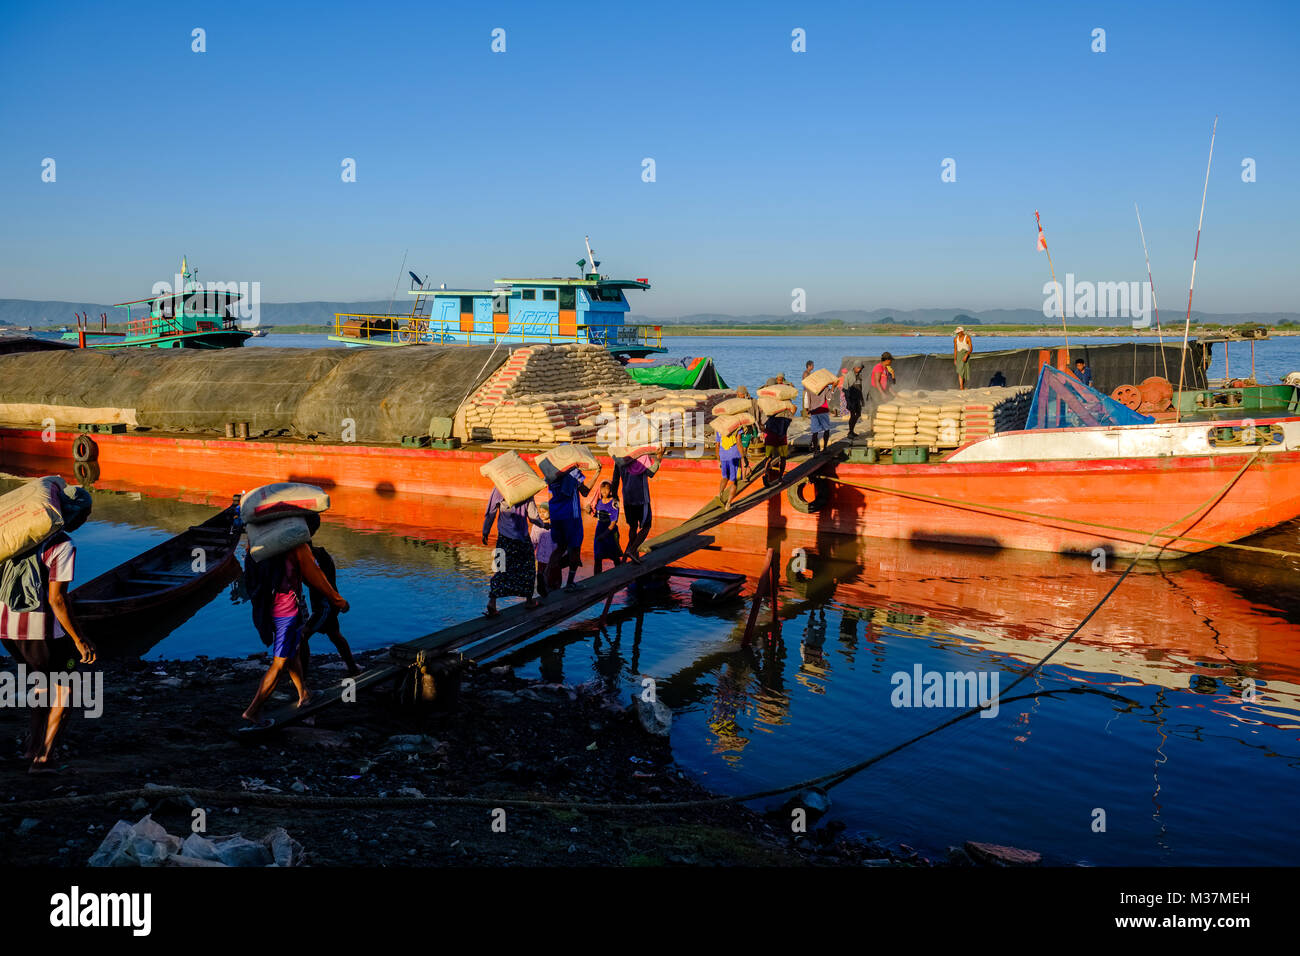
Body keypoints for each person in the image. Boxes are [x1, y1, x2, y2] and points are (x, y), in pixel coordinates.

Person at [0, 486, 95, 773]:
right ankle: (44, 758)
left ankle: (31, 748)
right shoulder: (62, 545)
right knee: (67, 691)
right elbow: (57, 600)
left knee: (40, 686)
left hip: (8, 633)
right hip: (43, 634)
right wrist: (80, 640)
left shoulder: (14, 539)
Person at [242, 531, 349, 726]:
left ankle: (304, 694)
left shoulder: (259, 541)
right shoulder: (297, 545)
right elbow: (316, 577)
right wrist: (338, 600)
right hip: (287, 612)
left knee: (295, 650)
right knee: (280, 663)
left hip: (269, 608)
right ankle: (253, 711)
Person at [483, 485, 545, 615]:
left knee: (500, 568)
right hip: (521, 538)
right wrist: (543, 524)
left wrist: (485, 531)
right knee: (527, 567)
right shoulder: (526, 487)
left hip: (503, 539)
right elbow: (533, 515)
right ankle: (529, 601)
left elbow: (491, 512)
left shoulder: (498, 488)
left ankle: (492, 602)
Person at [301, 544, 359, 677]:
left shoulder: (316, 559)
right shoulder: (320, 555)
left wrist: (339, 601)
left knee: (302, 636)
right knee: (334, 635)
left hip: (324, 606)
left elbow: (321, 582)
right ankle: (353, 668)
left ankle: (302, 678)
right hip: (326, 603)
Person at [547, 459, 600, 591]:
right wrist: (597, 473)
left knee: (560, 548)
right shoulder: (573, 471)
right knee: (575, 549)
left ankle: (544, 576)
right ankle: (570, 583)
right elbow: (585, 492)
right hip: (572, 516)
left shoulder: (550, 474)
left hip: (555, 515)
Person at [611, 447, 664, 563]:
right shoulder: (643, 457)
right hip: (641, 499)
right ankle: (632, 550)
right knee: (646, 526)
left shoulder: (619, 460)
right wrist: (659, 458)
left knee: (633, 527)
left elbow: (615, 480)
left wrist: (614, 495)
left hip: (628, 499)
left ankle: (630, 557)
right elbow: (650, 473)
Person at [589, 481, 622, 573]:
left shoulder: (614, 502)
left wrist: (604, 535)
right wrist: (590, 512)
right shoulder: (598, 502)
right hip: (599, 530)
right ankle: (596, 578)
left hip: (610, 532)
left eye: (606, 489)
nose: (604, 491)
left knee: (614, 555)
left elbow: (613, 522)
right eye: (602, 489)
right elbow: (598, 516)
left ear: (610, 490)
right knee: (597, 556)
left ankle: (620, 573)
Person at [716, 425, 747, 507]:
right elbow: (739, 442)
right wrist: (743, 457)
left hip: (723, 456)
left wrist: (718, 459)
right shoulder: (737, 427)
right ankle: (728, 504)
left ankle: (720, 494)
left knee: (725, 477)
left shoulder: (719, 428)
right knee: (734, 481)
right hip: (734, 456)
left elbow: (717, 445)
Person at [530, 504, 558, 597]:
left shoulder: (556, 525)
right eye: (540, 512)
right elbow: (533, 540)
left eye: (544, 512)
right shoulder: (536, 525)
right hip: (541, 558)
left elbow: (561, 541)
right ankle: (544, 594)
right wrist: (530, 552)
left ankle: (554, 594)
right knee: (541, 579)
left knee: (554, 580)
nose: (541, 514)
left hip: (554, 559)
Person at [807, 381, 833, 453]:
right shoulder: (825, 387)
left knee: (815, 432)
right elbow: (829, 398)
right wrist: (833, 387)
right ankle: (825, 448)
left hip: (814, 411)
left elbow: (808, 400)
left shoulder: (810, 388)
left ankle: (815, 451)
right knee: (826, 429)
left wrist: (808, 409)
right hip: (823, 410)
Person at [843, 361, 866, 437]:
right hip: (851, 399)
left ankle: (852, 430)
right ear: (855, 367)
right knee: (852, 415)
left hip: (858, 398)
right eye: (859, 368)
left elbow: (860, 388)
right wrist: (848, 402)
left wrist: (862, 400)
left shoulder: (860, 375)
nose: (860, 369)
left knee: (858, 414)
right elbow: (845, 389)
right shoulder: (848, 375)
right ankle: (850, 432)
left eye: (861, 368)